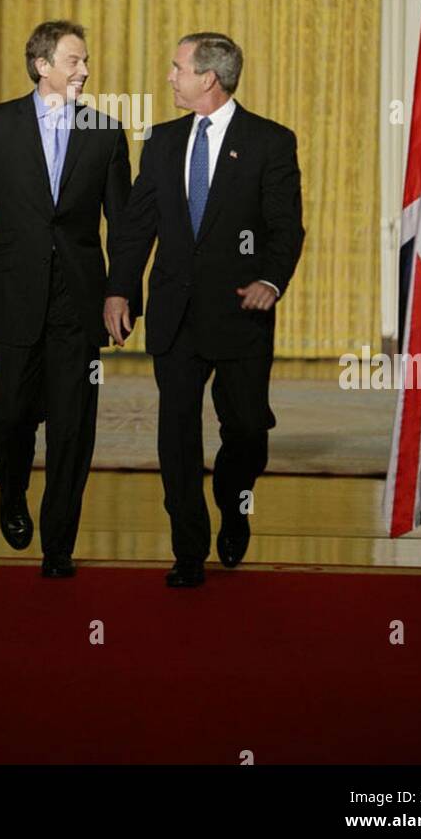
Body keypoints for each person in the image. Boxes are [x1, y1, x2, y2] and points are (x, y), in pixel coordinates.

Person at [104, 32, 304, 587]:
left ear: (208, 78)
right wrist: (119, 289)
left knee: (245, 428)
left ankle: (235, 504)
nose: (169, 77)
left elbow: (286, 227)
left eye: (177, 68)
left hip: (241, 313)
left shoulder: (270, 142)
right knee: (177, 433)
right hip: (175, 313)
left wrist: (270, 277)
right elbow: (137, 224)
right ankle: (188, 548)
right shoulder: (162, 141)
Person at [0, 21, 133, 578]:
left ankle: (59, 545)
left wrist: (121, 292)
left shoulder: (106, 132)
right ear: (43, 65)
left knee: (73, 425)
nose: (85, 71)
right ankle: (12, 491)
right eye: (75, 60)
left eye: (87, 61)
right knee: (11, 415)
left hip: (79, 303)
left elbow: (124, 229)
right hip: (11, 298)